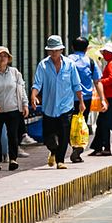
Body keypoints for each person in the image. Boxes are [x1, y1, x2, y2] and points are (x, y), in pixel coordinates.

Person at [31, 35, 85, 170]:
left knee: (63, 134)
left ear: (61, 50)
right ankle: (53, 151)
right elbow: (37, 83)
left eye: (56, 50)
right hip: (48, 106)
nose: (54, 53)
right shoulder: (43, 65)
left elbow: (76, 85)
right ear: (48, 51)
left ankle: (60, 160)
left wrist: (81, 102)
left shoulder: (70, 65)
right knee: (48, 136)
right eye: (51, 50)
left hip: (65, 106)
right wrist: (33, 96)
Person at [0, 46, 29, 171]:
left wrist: (25, 104)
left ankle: (13, 159)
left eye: (5, 56)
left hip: (13, 109)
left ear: (8, 59)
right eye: (0, 56)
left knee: (13, 135)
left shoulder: (15, 72)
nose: (2, 58)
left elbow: (21, 89)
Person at [70, 37, 107, 161]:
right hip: (85, 99)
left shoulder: (67, 61)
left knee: (68, 124)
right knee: (82, 124)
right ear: (86, 49)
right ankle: (78, 149)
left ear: (72, 47)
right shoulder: (90, 62)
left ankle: (73, 146)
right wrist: (102, 99)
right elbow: (97, 82)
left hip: (68, 98)